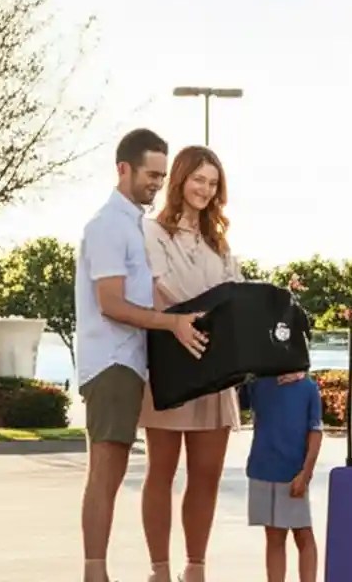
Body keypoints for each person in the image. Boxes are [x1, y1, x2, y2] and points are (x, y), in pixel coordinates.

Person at [77, 129, 209, 582]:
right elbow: (110, 304)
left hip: (131, 364)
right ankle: (96, 573)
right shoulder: (108, 226)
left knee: (110, 473)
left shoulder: (135, 224)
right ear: (123, 170)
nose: (157, 182)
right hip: (112, 364)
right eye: (151, 174)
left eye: (161, 174)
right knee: (106, 473)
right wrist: (172, 323)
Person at [139, 146, 244, 582]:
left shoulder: (220, 243)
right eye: (199, 179)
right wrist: (217, 301)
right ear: (179, 179)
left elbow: (237, 297)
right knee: (160, 472)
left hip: (215, 371)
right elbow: (169, 288)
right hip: (168, 365)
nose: (205, 189)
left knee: (206, 475)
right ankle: (159, 570)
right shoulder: (152, 232)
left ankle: (194, 569)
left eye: (213, 182)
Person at [247, 370, 324, 582]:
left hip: (293, 473)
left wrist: (305, 474)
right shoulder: (258, 383)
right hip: (262, 468)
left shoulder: (308, 387)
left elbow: (315, 432)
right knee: (274, 536)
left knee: (303, 534)